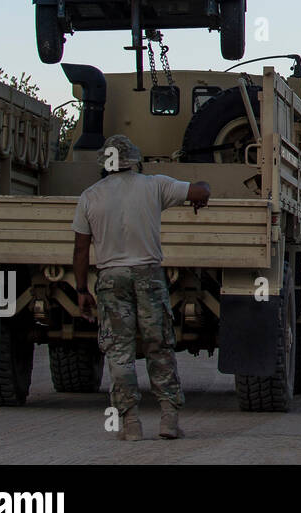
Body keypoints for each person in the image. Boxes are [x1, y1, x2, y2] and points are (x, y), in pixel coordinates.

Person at [72, 134, 210, 441]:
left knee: (118, 352)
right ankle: (169, 419)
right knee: (158, 345)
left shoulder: (90, 197)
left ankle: (131, 423)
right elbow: (199, 189)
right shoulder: (155, 185)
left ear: (105, 164)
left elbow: (81, 250)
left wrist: (82, 289)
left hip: (110, 277)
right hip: (148, 274)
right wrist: (203, 193)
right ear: (135, 160)